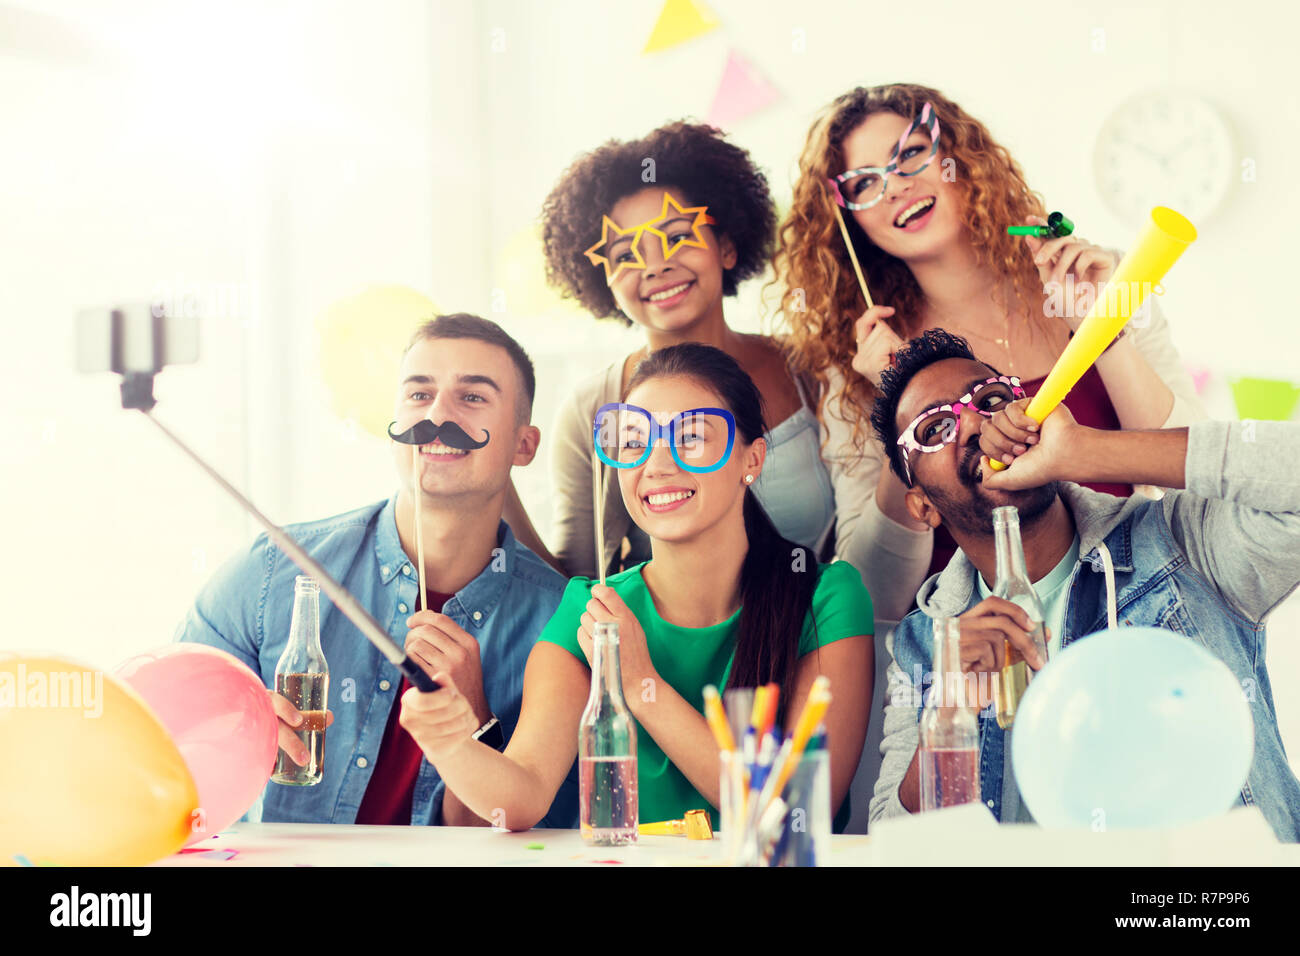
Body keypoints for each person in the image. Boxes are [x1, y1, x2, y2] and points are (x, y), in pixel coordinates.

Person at [773, 83, 1206, 635]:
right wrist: (893, 411)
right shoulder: (854, 364)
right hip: (983, 650)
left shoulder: (1096, 278)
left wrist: (1103, 330)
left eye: (909, 154)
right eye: (864, 183)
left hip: (1143, 607)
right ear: (847, 217)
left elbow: (1196, 481)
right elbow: (874, 594)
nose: (896, 188)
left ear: (956, 154)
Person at [399, 344, 874, 832]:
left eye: (691, 436)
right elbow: (522, 797)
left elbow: (793, 812)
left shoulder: (826, 597)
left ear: (751, 459)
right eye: (634, 441)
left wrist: (641, 686)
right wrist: (450, 743)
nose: (657, 463)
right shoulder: (591, 608)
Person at [867, 329, 1300, 841]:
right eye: (935, 427)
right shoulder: (923, 646)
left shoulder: (1180, 544)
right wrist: (947, 718)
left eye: (991, 401)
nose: (974, 424)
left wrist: (1085, 451)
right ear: (922, 506)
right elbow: (889, 839)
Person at [175, 313, 577, 827]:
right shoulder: (276, 568)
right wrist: (232, 730)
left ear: (525, 445)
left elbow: (507, 836)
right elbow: (157, 736)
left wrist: (475, 723)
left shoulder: (559, 620)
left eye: (472, 397)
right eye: (418, 395)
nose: (437, 414)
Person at [504, 121, 836, 579]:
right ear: (603, 280)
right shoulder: (591, 410)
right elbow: (573, 585)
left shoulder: (810, 370)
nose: (657, 265)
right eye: (625, 255)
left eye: (678, 236)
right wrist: (494, 480)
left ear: (726, 246)